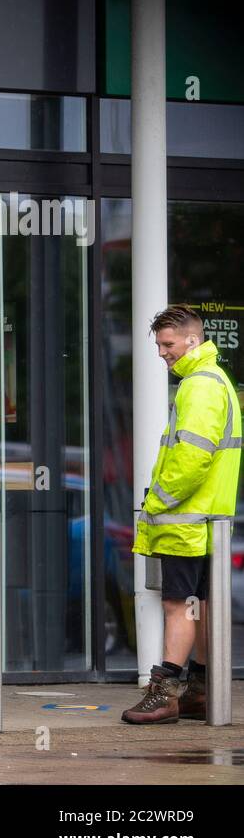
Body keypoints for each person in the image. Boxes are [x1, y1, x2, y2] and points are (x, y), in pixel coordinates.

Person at [123, 305, 241, 724]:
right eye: (158, 344)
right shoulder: (215, 382)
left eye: (167, 344)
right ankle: (201, 692)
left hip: (186, 524)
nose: (161, 352)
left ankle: (166, 694)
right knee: (201, 606)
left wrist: (157, 501)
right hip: (207, 522)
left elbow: (192, 458)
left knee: (178, 606)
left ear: (193, 340)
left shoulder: (199, 386)